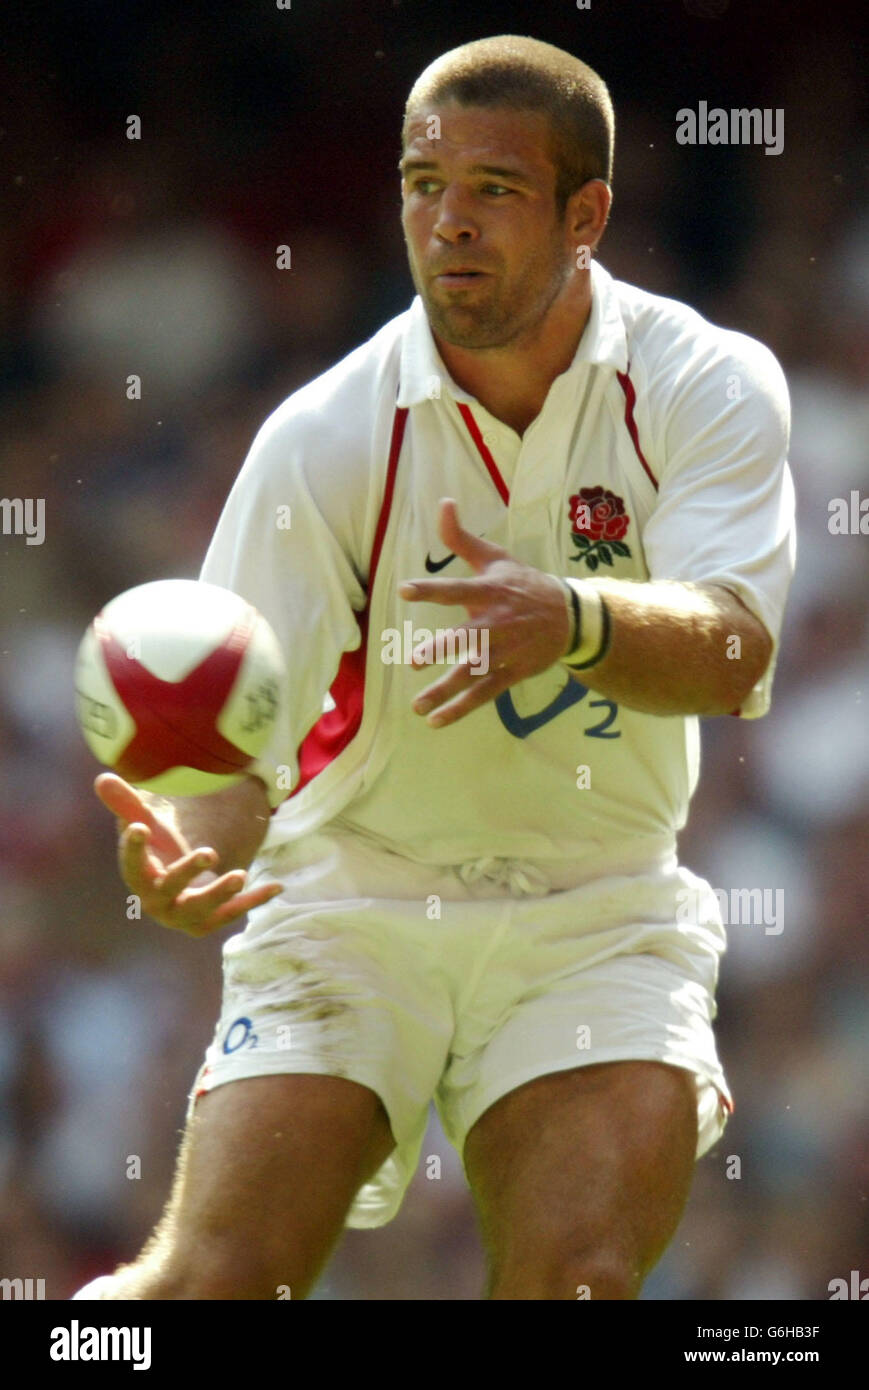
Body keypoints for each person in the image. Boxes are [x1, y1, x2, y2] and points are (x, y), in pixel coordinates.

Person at [73, 33, 795, 1301]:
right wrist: (199, 851)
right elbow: (240, 733)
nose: (446, 222)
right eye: (422, 183)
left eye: (493, 190)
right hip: (354, 902)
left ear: (588, 214)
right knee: (208, 1289)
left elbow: (735, 648)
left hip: (597, 911)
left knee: (574, 1278)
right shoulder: (321, 435)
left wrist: (568, 620)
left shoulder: (705, 384)